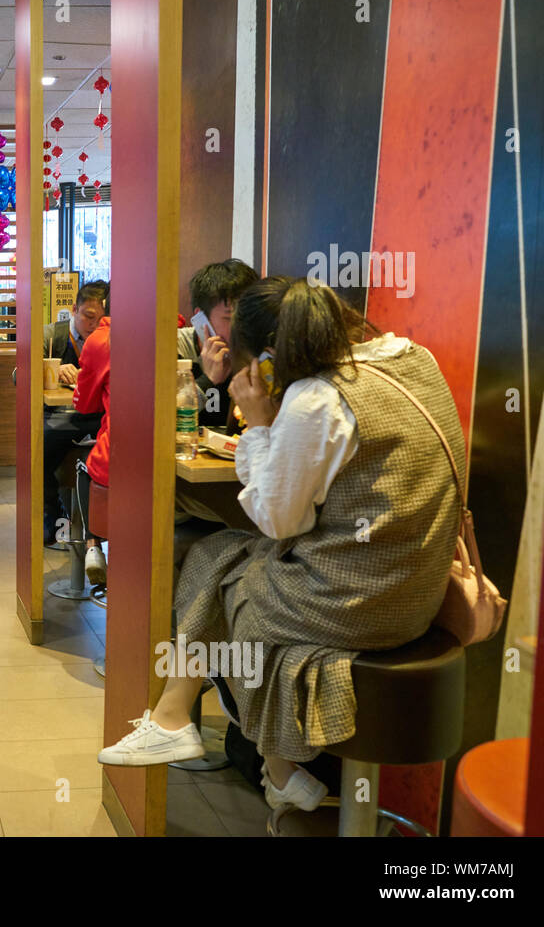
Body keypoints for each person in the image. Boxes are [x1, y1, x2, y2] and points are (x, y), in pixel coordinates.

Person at [98, 278, 466, 815]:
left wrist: (262, 422)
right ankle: (211, 735)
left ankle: (237, 747)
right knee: (227, 558)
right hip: (423, 595)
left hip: (358, 609)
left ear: (265, 359)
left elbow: (276, 520)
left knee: (210, 558)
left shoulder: (315, 399)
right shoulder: (412, 359)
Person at [42, 279, 110, 544]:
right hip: (62, 413)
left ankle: (93, 533)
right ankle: (55, 515)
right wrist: (51, 370)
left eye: (101, 319)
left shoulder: (111, 339)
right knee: (40, 445)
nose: (94, 325)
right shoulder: (51, 336)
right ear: (74, 309)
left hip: (98, 417)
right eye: (88, 317)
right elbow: (18, 376)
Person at [178, 259, 258, 430]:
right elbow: (164, 421)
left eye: (247, 316)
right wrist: (207, 380)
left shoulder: (256, 353)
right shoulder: (175, 348)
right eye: (230, 318)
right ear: (202, 319)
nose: (242, 327)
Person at [71, 293, 111, 591]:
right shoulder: (176, 332)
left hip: (117, 452)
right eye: (86, 315)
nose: (92, 322)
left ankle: (92, 543)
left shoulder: (101, 340)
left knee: (86, 464)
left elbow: (84, 404)